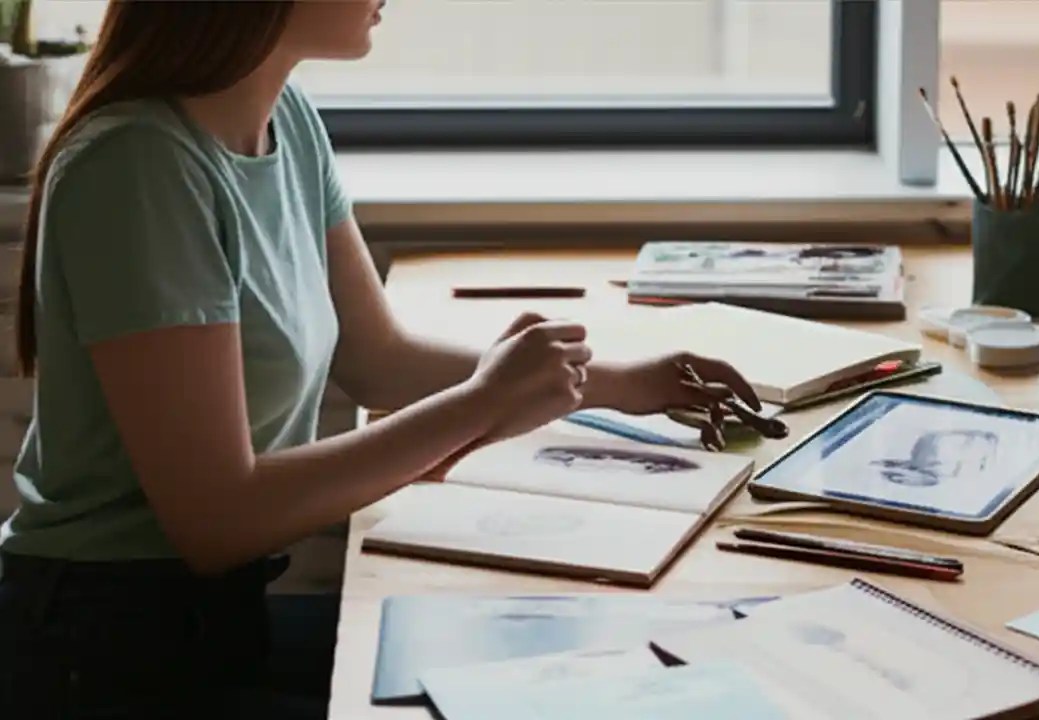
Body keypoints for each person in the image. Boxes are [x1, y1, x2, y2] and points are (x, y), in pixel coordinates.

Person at [0, 2, 760, 719]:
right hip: (102, 653)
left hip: (215, 621)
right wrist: (483, 405)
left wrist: (624, 384)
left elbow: (377, 358)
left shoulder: (284, 120)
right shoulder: (137, 169)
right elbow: (216, 519)